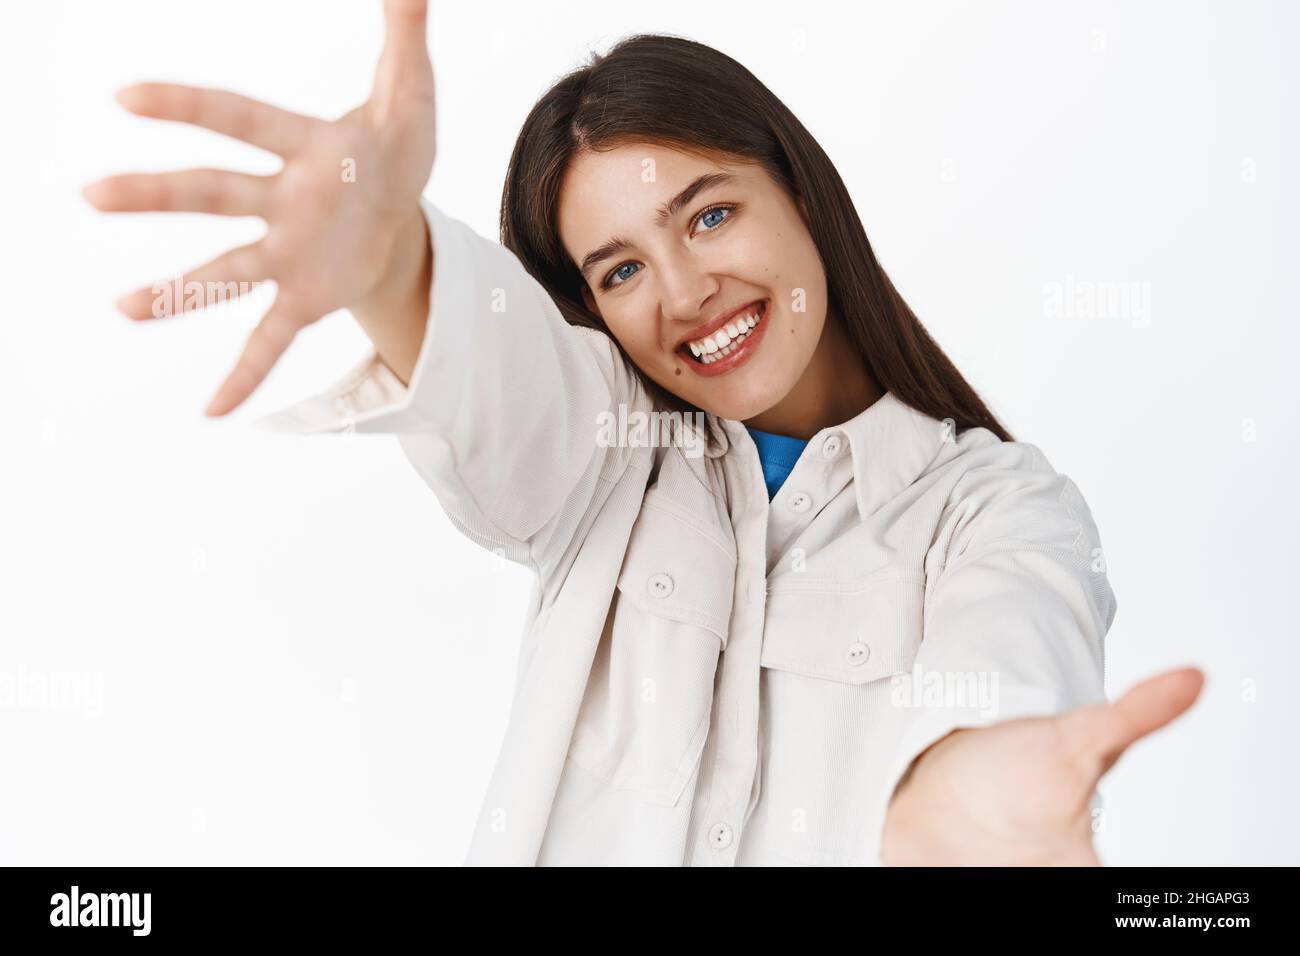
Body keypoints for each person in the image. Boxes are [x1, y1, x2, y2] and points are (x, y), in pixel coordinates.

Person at [82, 0, 1203, 865]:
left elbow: (1011, 639)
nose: (682, 292)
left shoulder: (997, 506)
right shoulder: (603, 455)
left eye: (709, 213)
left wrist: (958, 785)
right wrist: (387, 261)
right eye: (619, 268)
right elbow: (492, 370)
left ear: (802, 195)